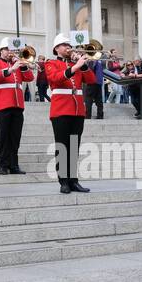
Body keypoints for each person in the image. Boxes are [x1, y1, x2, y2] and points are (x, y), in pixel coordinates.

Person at [46, 34, 96, 194]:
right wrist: (74, 67)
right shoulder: (51, 63)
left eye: (69, 45)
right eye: (64, 45)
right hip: (60, 109)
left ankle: (73, 180)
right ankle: (63, 181)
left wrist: (83, 65)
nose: (68, 47)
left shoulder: (76, 63)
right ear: (57, 48)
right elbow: (55, 79)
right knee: (62, 146)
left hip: (77, 110)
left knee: (74, 146)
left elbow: (92, 80)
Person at [0, 38, 34, 175]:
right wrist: (11, 69)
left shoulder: (18, 64)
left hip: (17, 104)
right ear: (1, 51)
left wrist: (24, 65)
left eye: (12, 50)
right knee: (3, 136)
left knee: (15, 137)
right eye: (7, 49)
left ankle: (14, 165)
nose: (10, 52)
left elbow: (30, 78)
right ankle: (2, 165)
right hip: (2, 105)